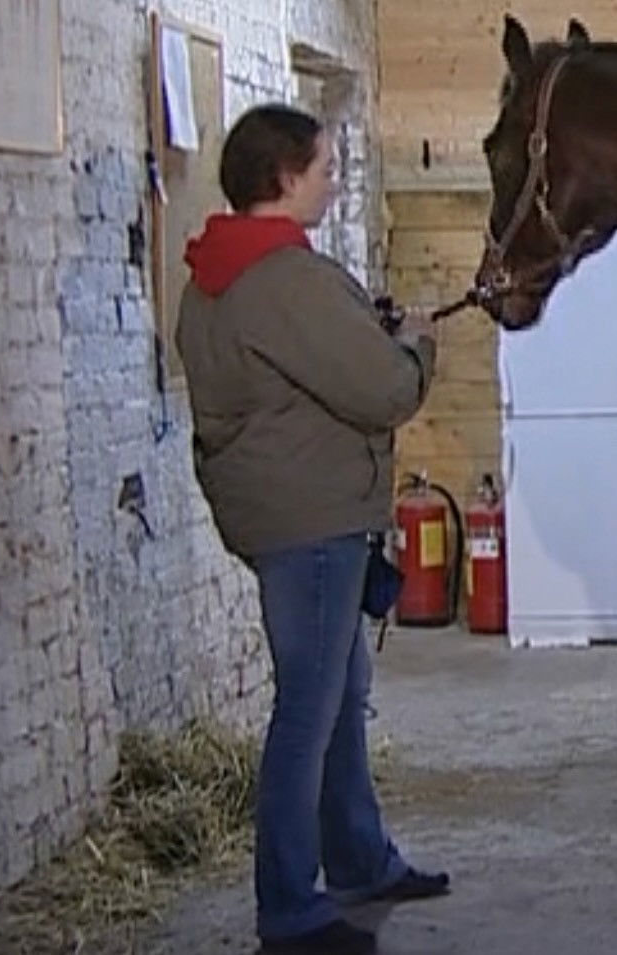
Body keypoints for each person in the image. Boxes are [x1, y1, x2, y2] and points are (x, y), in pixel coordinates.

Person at [178, 104, 449, 954]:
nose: (334, 183)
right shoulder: (287, 278)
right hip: (316, 522)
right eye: (326, 169)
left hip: (274, 515)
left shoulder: (211, 274)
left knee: (339, 698)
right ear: (283, 178)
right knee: (308, 710)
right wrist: (415, 343)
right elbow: (383, 389)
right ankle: (289, 904)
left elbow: (285, 381)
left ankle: (358, 856)